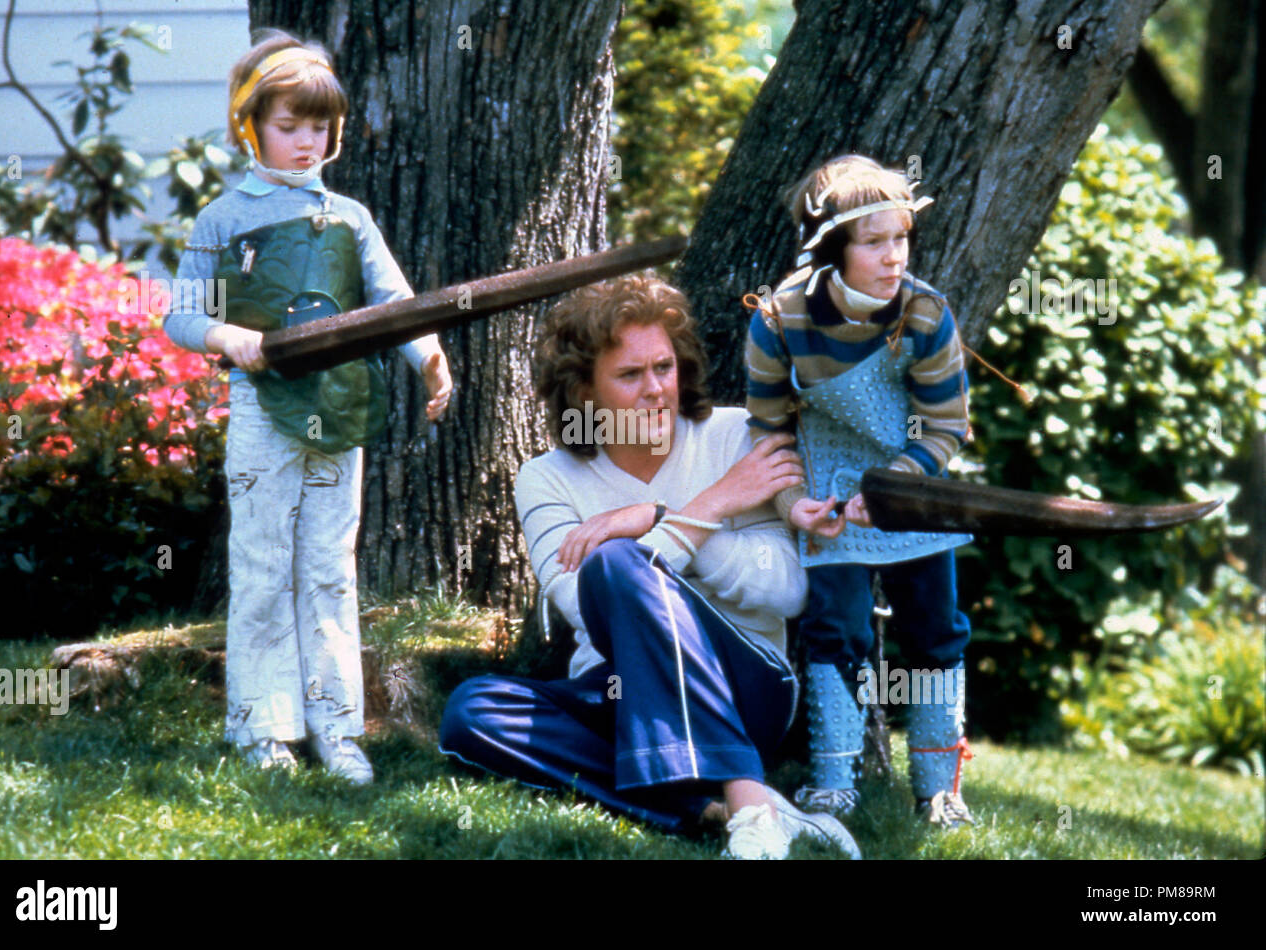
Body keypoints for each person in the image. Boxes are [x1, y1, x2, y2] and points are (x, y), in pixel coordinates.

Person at [439, 274, 860, 859]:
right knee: (471, 713)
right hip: (619, 696)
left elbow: (787, 591)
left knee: (616, 559)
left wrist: (654, 518)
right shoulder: (546, 478)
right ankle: (720, 808)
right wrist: (707, 509)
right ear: (584, 392)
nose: (655, 389)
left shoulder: (738, 438)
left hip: (748, 689)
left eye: (664, 367)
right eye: (630, 375)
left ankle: (740, 789)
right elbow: (577, 603)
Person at [163, 29, 453, 783]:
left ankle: (336, 726)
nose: (304, 142)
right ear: (249, 126)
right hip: (264, 411)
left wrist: (427, 355)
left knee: (329, 567)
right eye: (288, 126)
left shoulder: (351, 218)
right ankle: (262, 727)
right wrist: (231, 337)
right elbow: (180, 315)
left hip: (341, 406)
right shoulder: (222, 219)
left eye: (318, 127)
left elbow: (391, 302)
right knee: (262, 565)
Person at [744, 155, 976, 827]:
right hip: (828, 494)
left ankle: (939, 788)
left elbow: (946, 425)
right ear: (833, 247)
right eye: (874, 241)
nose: (894, 255)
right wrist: (792, 505)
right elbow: (769, 429)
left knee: (935, 633)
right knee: (834, 631)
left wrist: (900, 483)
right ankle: (832, 785)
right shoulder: (780, 321)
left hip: (913, 489)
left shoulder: (926, 315)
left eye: (901, 237)